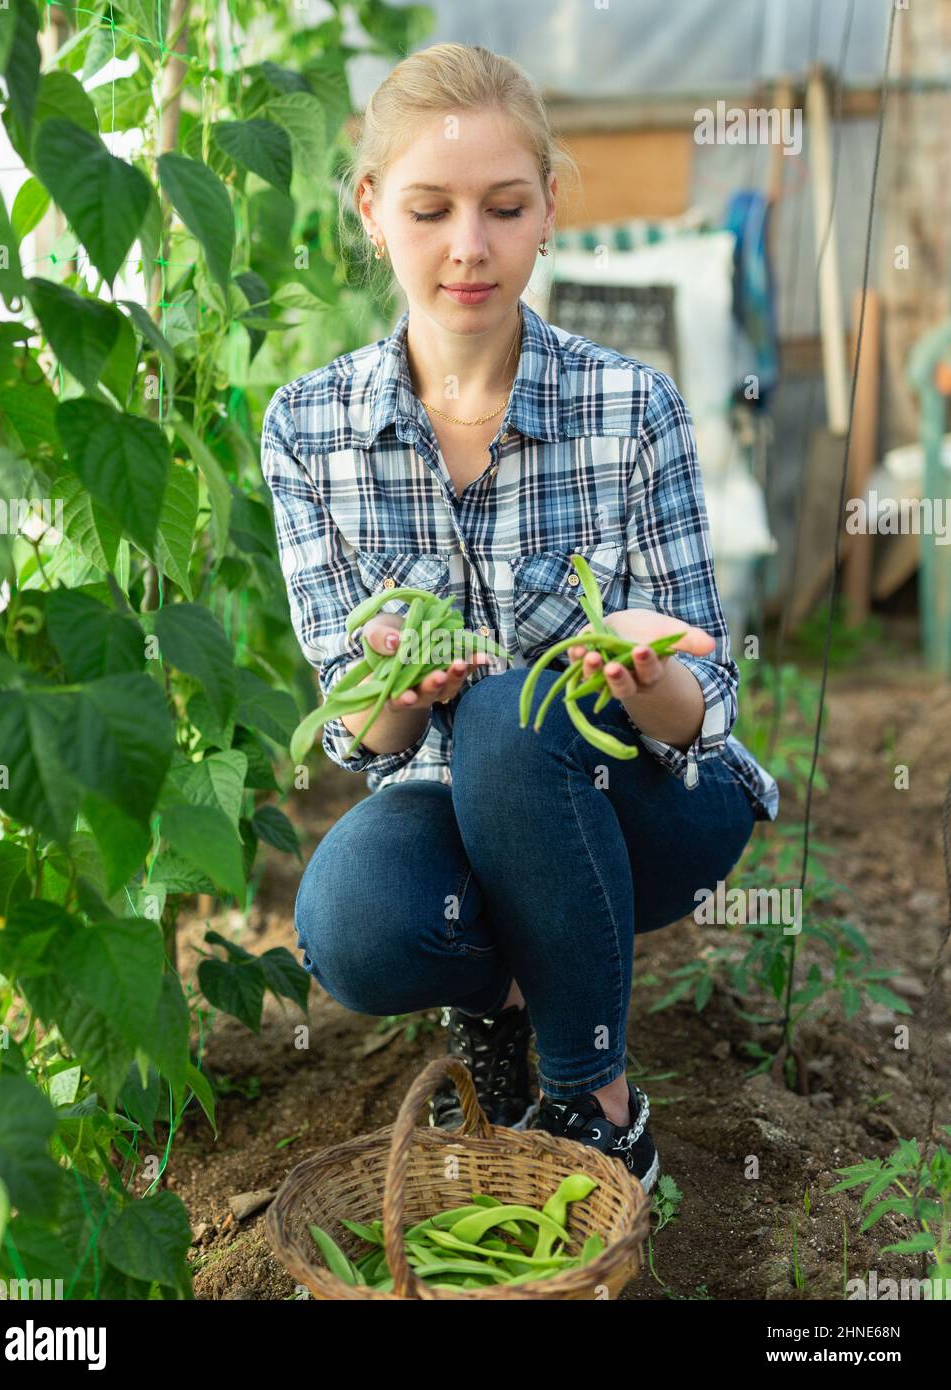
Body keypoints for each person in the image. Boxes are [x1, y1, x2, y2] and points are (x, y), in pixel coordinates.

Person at [260, 43, 779, 1194]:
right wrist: (394, 692)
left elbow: (706, 714)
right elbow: (358, 743)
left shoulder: (629, 407)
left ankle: (597, 1102)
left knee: (510, 708)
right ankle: (503, 1000)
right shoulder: (308, 430)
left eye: (504, 207)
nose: (468, 247)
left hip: (645, 810)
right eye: (431, 208)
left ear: (550, 207)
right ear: (372, 208)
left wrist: (643, 674)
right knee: (352, 922)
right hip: (449, 809)